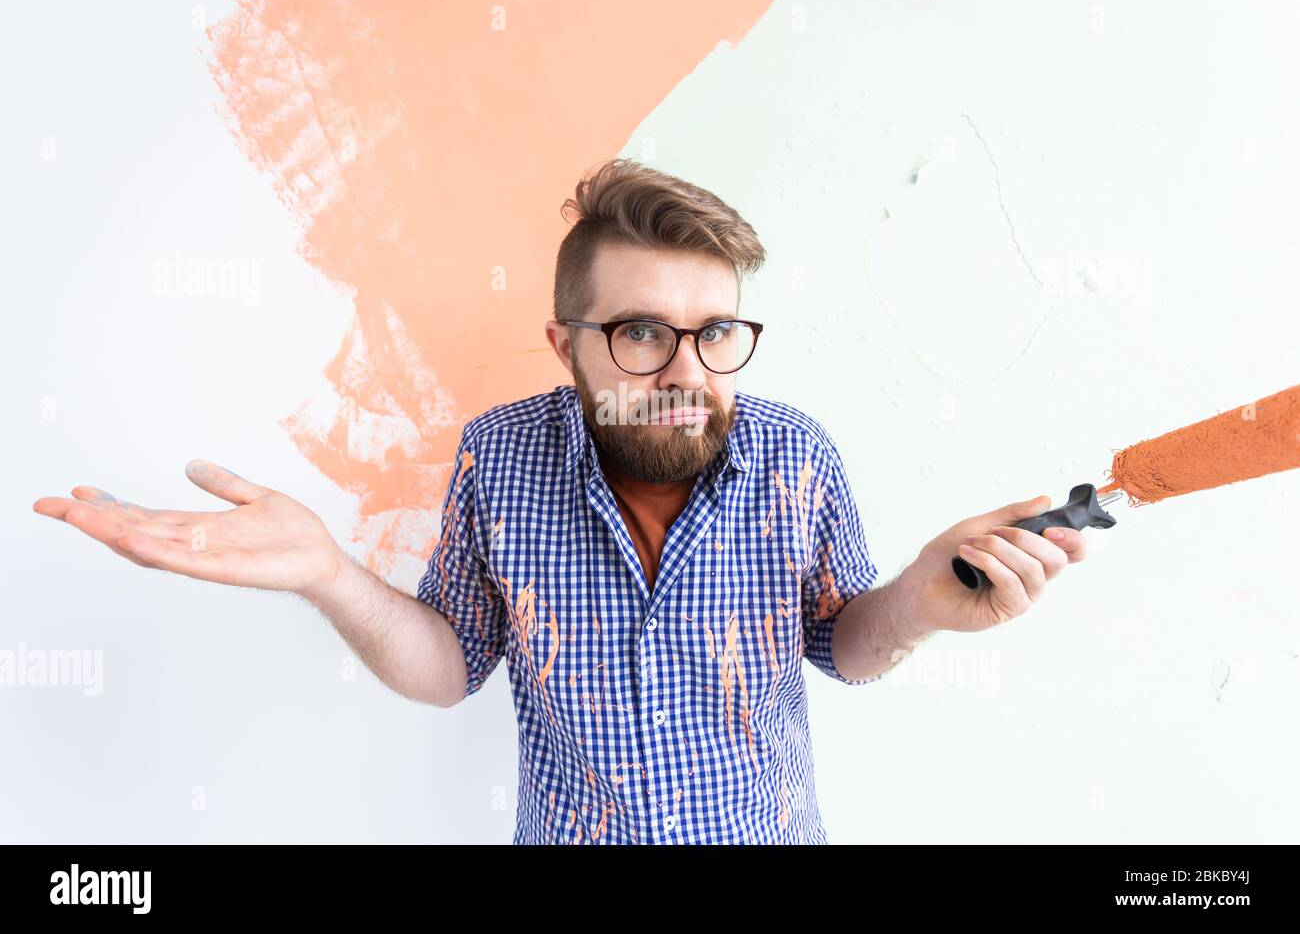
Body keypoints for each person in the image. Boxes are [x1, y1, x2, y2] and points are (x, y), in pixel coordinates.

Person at [33, 158, 1088, 844]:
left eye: (716, 331)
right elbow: (451, 664)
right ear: (565, 344)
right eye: (640, 332)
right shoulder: (498, 458)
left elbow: (843, 647)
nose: (687, 370)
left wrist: (922, 594)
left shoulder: (795, 455)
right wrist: (325, 571)